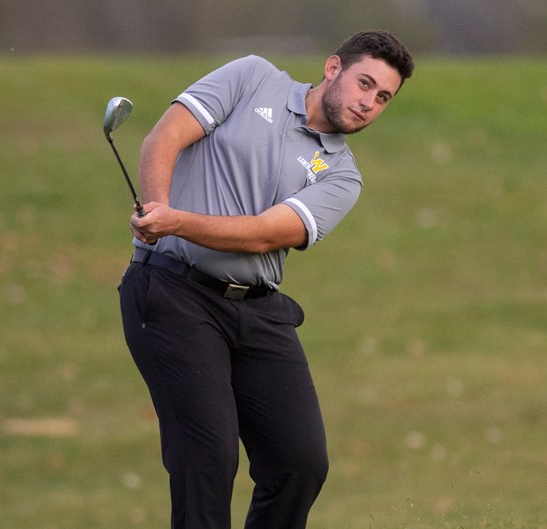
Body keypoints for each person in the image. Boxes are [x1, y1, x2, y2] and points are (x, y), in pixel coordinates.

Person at [118, 30, 414, 529]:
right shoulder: (253, 77)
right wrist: (156, 210)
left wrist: (174, 221)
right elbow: (164, 137)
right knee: (208, 458)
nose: (369, 103)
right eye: (365, 84)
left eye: (383, 97)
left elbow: (262, 236)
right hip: (173, 293)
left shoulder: (342, 175)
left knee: (300, 463)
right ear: (333, 68)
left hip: (258, 311)